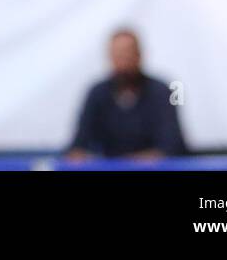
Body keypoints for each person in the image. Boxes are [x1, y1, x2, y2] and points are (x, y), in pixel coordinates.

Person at [66, 29, 187, 161]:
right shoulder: (97, 93)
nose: (123, 60)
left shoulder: (163, 91)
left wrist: (132, 164)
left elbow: (173, 145)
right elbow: (79, 144)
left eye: (127, 53)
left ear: (139, 54)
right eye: (118, 54)